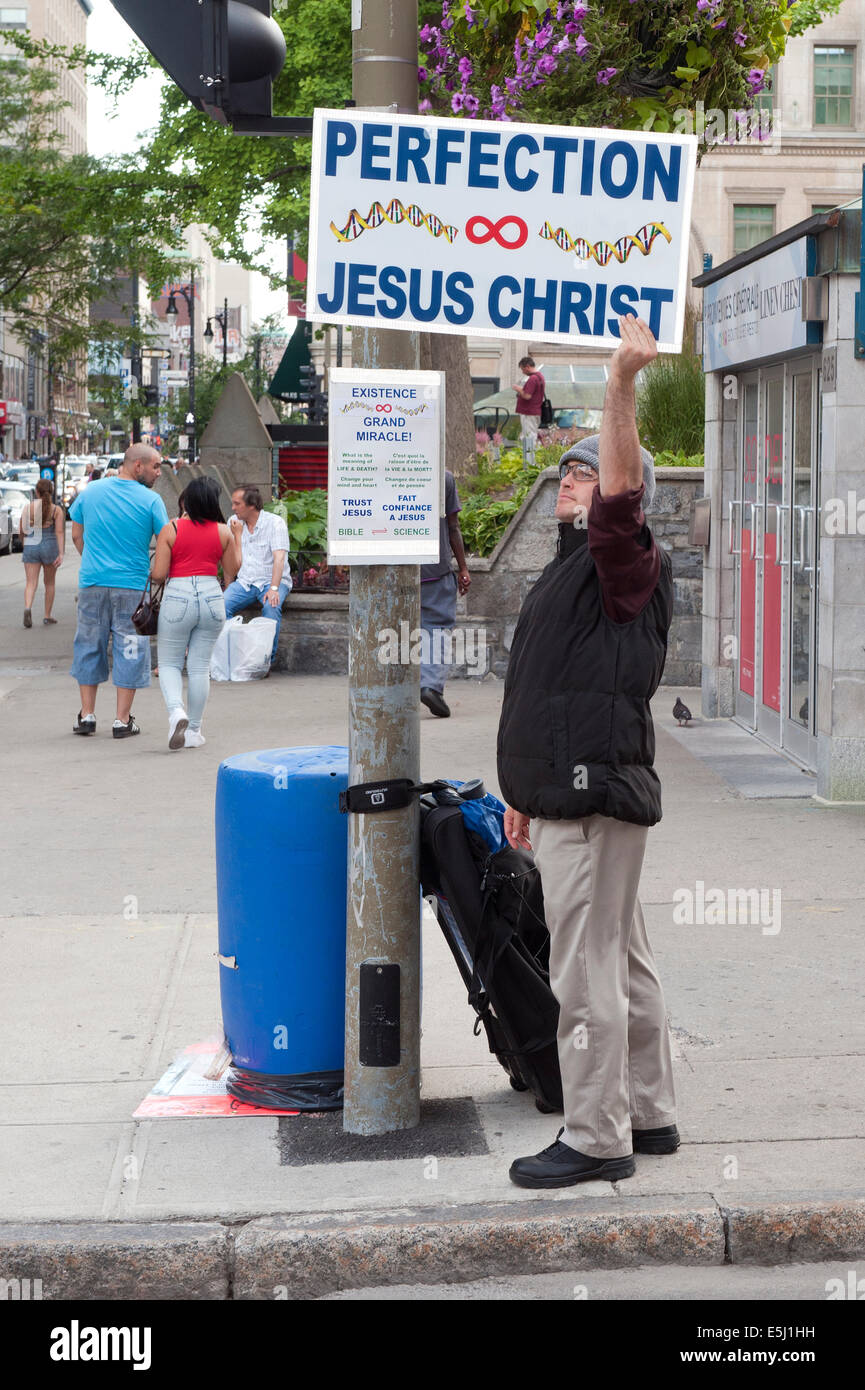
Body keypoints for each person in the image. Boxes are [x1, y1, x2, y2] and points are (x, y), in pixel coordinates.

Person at [499, 314, 678, 1188]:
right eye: (563, 471)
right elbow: (549, 691)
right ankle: (648, 1114)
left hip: (596, 796)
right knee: (622, 959)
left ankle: (597, 1136)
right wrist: (525, 790)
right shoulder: (576, 566)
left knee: (584, 970)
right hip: (573, 789)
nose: (570, 482)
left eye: (583, 473)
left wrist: (618, 384)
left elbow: (616, 498)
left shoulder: (624, 554)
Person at [68, 443, 168, 739]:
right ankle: (122, 720)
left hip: (92, 583)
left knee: (88, 645)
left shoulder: (91, 492)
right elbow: (165, 541)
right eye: (156, 467)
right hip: (132, 585)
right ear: (138, 466)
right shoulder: (152, 501)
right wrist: (158, 574)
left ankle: (87, 715)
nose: (159, 473)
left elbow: (76, 533)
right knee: (130, 648)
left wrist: (93, 560)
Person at [150, 477, 238, 750]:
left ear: (186, 501)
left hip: (178, 595)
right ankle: (195, 732)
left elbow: (160, 575)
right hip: (212, 595)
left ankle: (177, 712)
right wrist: (239, 539)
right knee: (200, 667)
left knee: (169, 664)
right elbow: (232, 572)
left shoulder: (171, 529)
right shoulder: (223, 532)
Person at [419, 469, 471, 718]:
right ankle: (431, 686)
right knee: (436, 628)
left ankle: (389, 690)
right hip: (433, 570)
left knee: (392, 629)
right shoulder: (444, 477)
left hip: (390, 568)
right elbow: (453, 527)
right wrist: (462, 567)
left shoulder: (380, 468)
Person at [222, 485, 291, 668]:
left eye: (237, 504)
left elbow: (279, 558)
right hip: (245, 582)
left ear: (251, 505)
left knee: (271, 608)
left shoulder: (275, 523)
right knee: (219, 608)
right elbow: (230, 559)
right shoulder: (234, 522)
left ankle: (265, 661)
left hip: (272, 580)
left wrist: (274, 588)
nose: (233, 508)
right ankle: (237, 652)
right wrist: (228, 587)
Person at [20, 478, 64, 627]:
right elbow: (59, 532)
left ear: (36, 492)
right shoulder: (56, 510)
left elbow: (22, 530)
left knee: (30, 582)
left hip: (32, 543)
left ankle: (27, 608)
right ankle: (47, 615)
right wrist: (61, 553)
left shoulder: (28, 508)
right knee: (49, 583)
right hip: (49, 545)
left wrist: (25, 543)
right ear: (51, 492)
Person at [512, 355, 545, 442]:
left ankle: (529, 454)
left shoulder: (533, 378)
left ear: (527, 366)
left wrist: (518, 389)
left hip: (529, 412)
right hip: (534, 411)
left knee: (528, 436)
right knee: (531, 434)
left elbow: (527, 395)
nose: (523, 372)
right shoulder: (540, 376)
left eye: (523, 369)